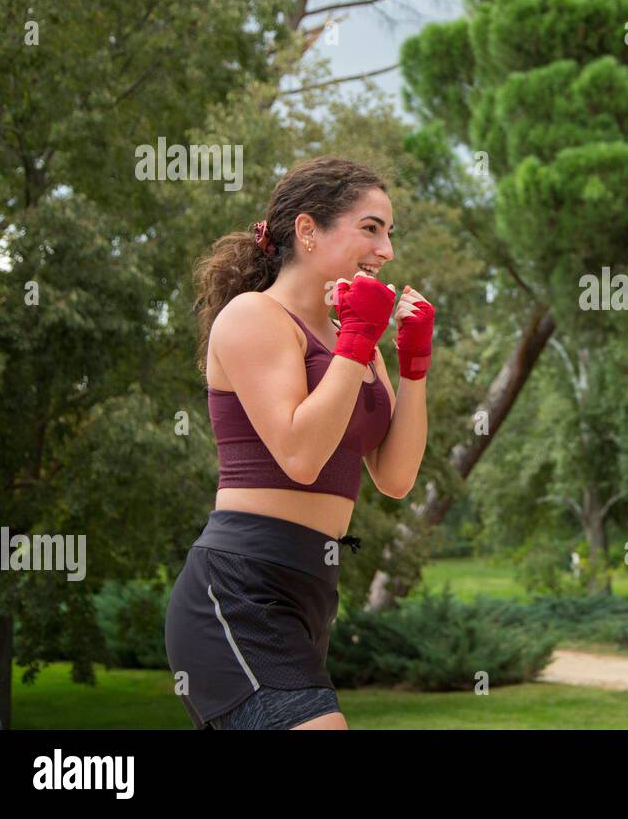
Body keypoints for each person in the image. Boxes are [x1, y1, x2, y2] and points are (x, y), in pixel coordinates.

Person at [165, 156, 436, 730]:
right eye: (371, 228)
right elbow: (300, 456)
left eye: (390, 232)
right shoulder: (254, 316)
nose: (386, 250)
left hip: (311, 591)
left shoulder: (350, 337)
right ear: (308, 230)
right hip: (238, 587)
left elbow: (395, 478)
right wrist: (361, 339)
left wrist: (412, 366)